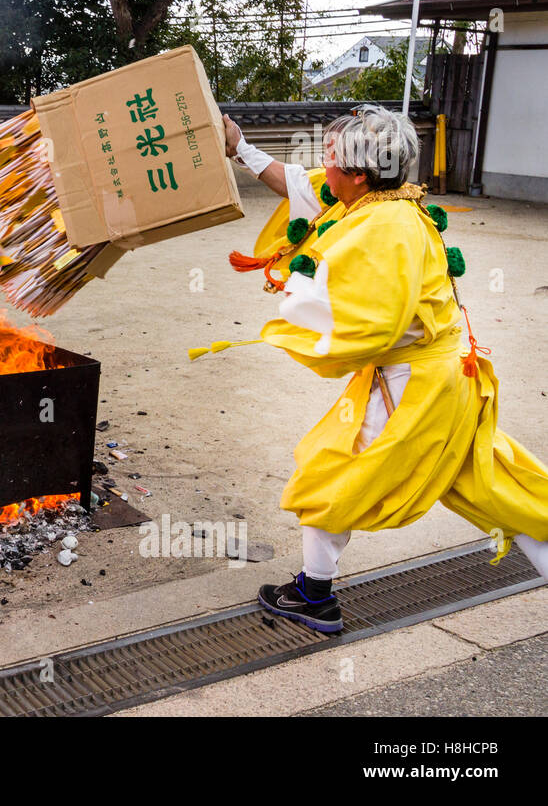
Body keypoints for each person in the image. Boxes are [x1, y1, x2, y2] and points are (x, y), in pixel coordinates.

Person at [222, 105, 548, 633]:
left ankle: (313, 595)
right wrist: (239, 146)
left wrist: (297, 302)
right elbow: (299, 188)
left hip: (414, 384)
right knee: (493, 485)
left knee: (326, 470)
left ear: (355, 173)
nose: (320, 168)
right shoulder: (383, 200)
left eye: (328, 159)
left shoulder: (385, 226)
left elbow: (374, 321)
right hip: (450, 378)